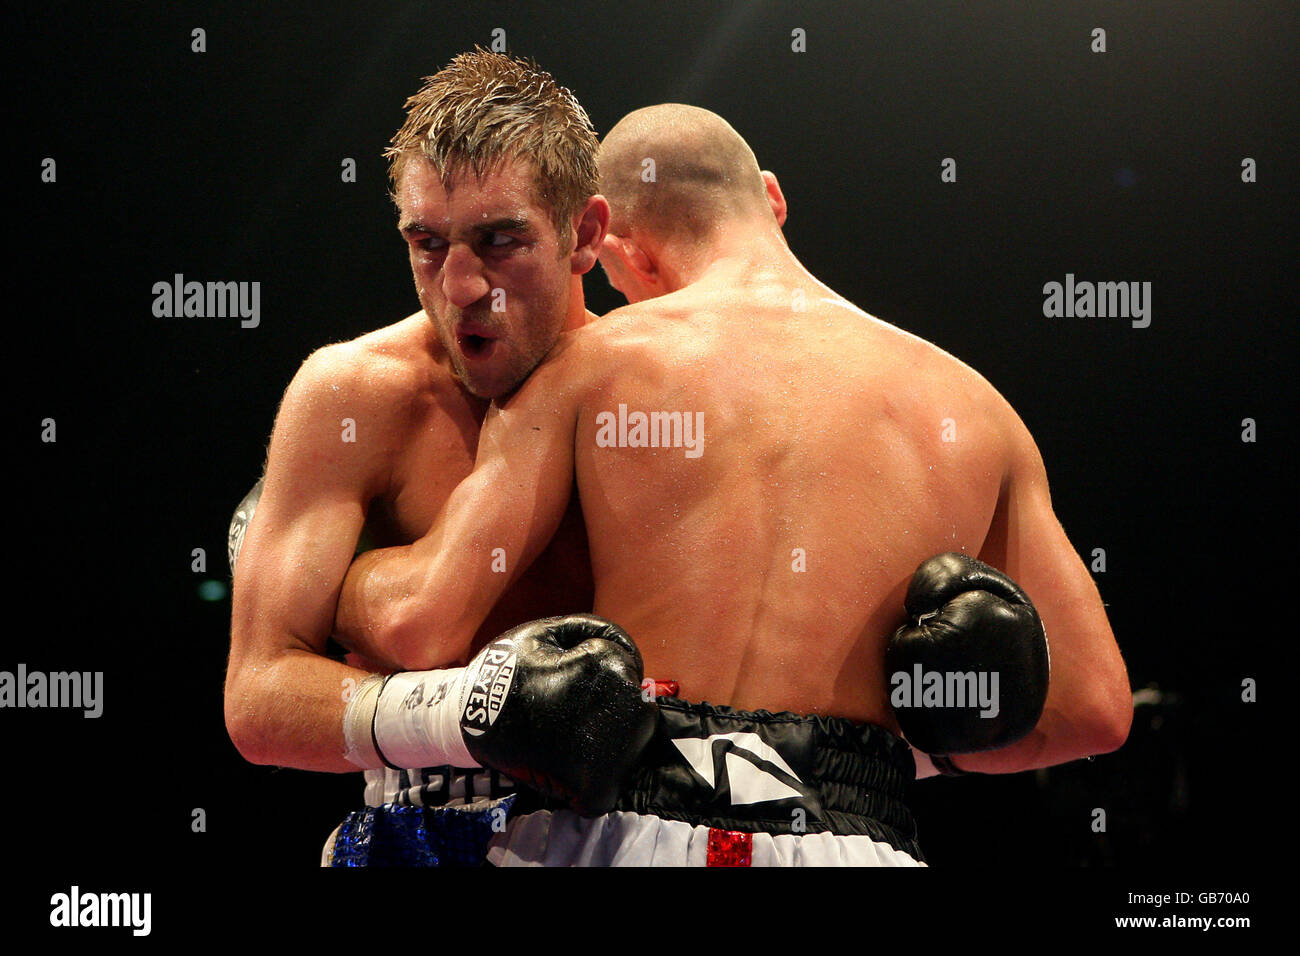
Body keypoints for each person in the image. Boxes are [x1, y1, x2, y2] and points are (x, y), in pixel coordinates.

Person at [332, 105, 1133, 866]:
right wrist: (916, 741)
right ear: (773, 199)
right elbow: (1094, 712)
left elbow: (421, 624)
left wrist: (353, 574)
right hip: (860, 834)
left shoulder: (592, 364)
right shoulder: (976, 407)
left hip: (627, 826)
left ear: (624, 251)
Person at [223, 49, 622, 866]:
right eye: (429, 243)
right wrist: (468, 715)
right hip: (417, 829)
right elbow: (258, 700)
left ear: (583, 235)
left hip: (643, 830)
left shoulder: (656, 396)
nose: (461, 287)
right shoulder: (357, 396)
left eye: (501, 241)